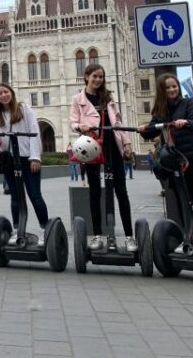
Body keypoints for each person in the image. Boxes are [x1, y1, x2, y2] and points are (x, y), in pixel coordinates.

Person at [139, 74, 193, 256]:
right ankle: (188, 239)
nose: (172, 90)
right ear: (162, 90)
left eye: (174, 86)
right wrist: (143, 130)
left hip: (192, 158)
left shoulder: (188, 104)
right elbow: (153, 129)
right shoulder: (159, 110)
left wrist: (187, 122)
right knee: (181, 200)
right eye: (168, 88)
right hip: (173, 161)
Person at [69, 63, 136, 252]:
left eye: (101, 77)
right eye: (95, 76)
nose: (98, 80)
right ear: (86, 77)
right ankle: (98, 235)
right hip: (91, 147)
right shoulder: (78, 99)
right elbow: (73, 121)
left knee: (121, 192)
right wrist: (79, 126)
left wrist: (127, 143)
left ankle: (129, 236)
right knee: (95, 192)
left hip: (111, 146)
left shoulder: (108, 98)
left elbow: (118, 122)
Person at [0, 83, 49, 245]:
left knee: (35, 195)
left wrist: (35, 157)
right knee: (15, 197)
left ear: (11, 93)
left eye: (5, 92)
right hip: (10, 160)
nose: (3, 95)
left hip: (27, 159)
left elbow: (34, 132)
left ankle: (45, 229)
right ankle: (17, 230)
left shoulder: (24, 109)